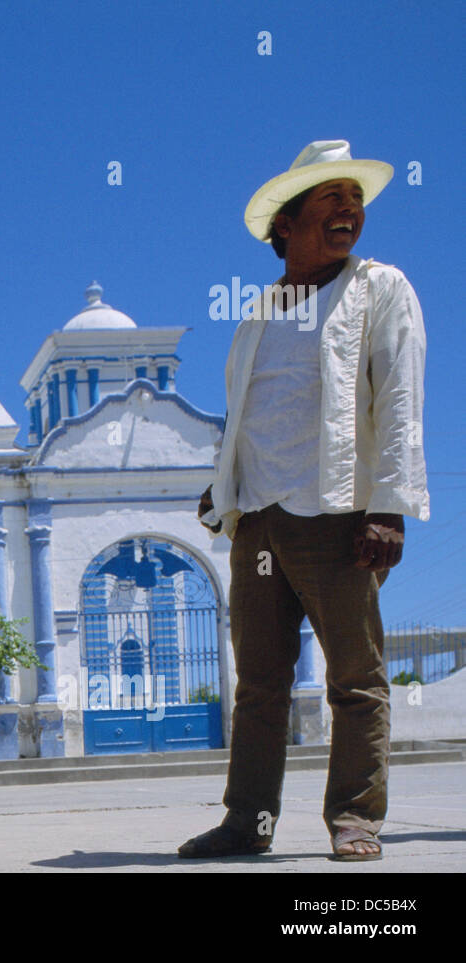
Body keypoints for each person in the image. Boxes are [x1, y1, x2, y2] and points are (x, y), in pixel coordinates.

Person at [182, 141, 429, 861]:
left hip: (340, 512)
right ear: (284, 227)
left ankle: (355, 818)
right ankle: (246, 822)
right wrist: (222, 484)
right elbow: (251, 414)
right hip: (258, 519)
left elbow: (401, 397)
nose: (350, 211)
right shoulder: (257, 313)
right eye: (331, 201)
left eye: (354, 201)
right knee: (259, 684)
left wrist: (388, 505)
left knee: (355, 676)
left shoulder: (379, 287)